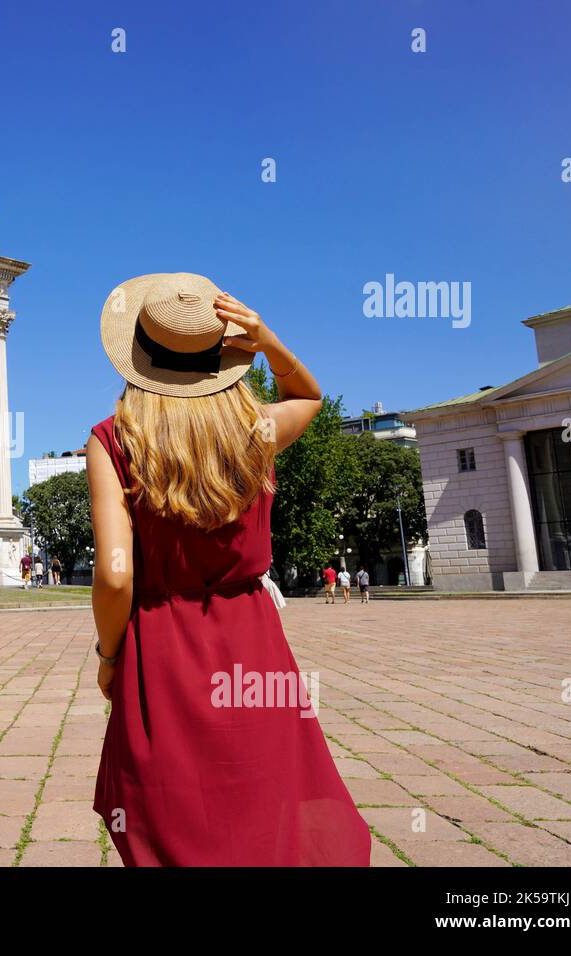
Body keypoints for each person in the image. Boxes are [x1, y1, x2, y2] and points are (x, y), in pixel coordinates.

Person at [87, 272, 369, 866]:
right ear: (221, 357)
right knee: (266, 804)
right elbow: (310, 397)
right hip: (253, 638)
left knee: (174, 816)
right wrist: (267, 340)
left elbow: (115, 575)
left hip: (162, 642)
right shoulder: (256, 430)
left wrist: (111, 660)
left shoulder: (114, 440)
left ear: (137, 358)